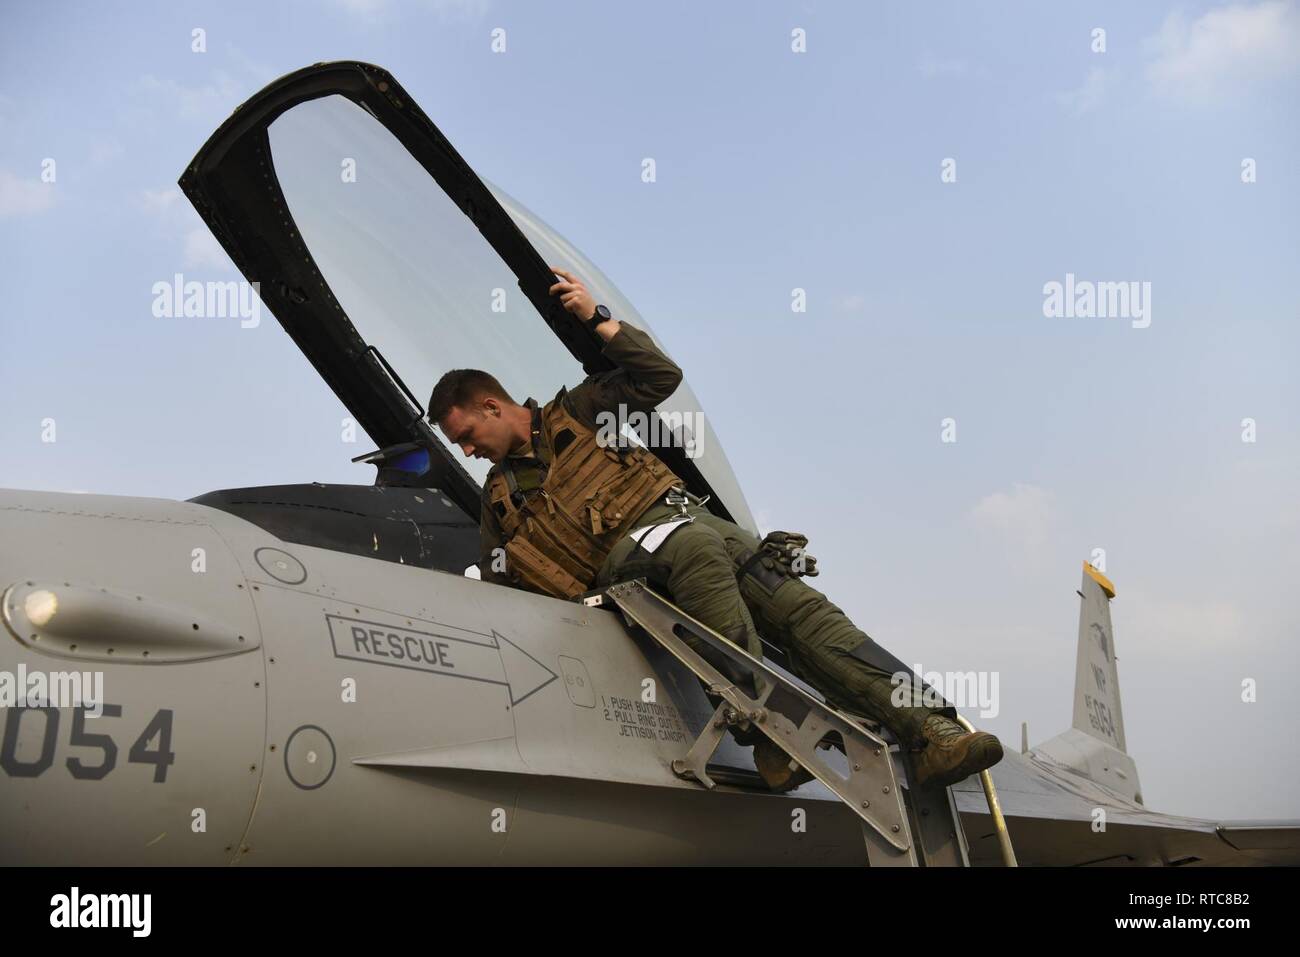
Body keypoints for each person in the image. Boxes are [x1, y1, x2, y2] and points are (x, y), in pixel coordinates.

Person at [428, 266, 1003, 792]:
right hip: (624, 567)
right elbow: (504, 586)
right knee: (697, 545)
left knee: (798, 605)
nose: (469, 450)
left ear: (492, 405)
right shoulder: (500, 502)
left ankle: (933, 730)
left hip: (683, 520)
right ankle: (769, 737)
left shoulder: (577, 411)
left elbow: (660, 376)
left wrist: (596, 318)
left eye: (468, 434)